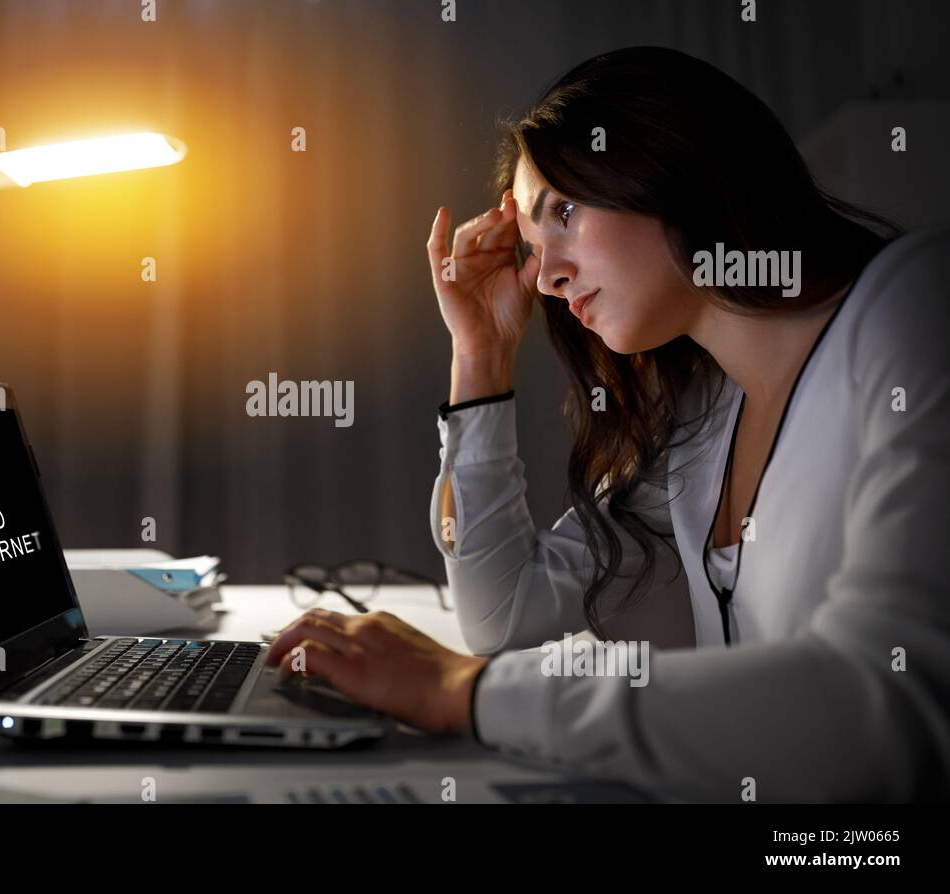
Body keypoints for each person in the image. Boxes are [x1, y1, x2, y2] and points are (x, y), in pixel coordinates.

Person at [263, 46, 950, 802]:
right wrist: (480, 356)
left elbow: (880, 716)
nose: (548, 277)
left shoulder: (916, 305)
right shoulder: (702, 423)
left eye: (564, 212)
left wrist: (466, 691)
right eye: (530, 247)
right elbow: (504, 612)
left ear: (675, 160)